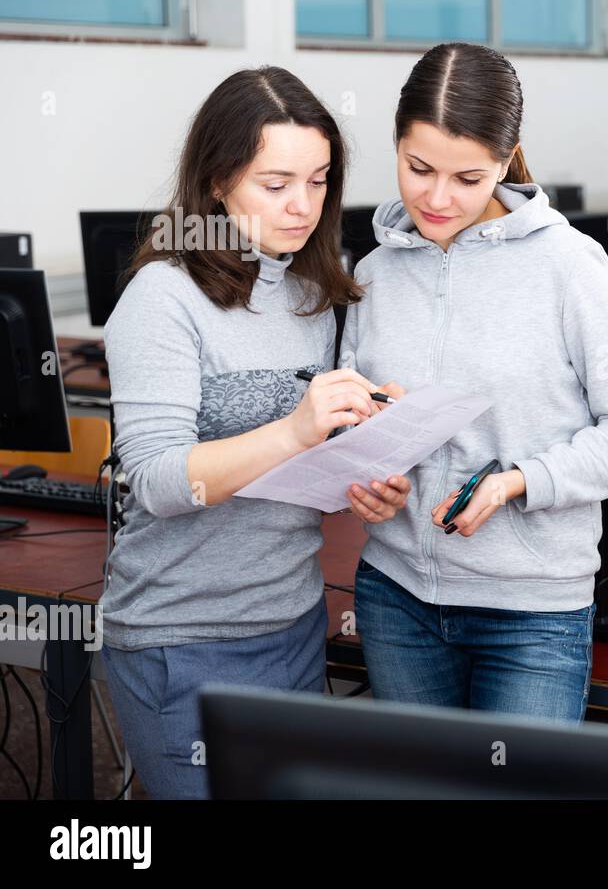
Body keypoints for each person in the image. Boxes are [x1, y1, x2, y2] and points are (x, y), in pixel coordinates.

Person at [100, 67, 412, 799]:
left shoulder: (312, 294)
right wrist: (298, 428)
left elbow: (305, 472)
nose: (303, 206)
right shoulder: (163, 298)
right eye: (276, 185)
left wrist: (371, 459)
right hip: (182, 638)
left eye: (319, 181)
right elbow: (158, 480)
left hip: (292, 622)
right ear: (217, 182)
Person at [341, 42, 608, 722]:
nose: (437, 198)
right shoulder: (373, 273)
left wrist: (519, 480)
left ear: (507, 157)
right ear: (395, 145)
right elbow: (354, 415)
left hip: (531, 614)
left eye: (468, 177)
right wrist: (365, 469)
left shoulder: (569, 265)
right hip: (396, 595)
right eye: (418, 168)